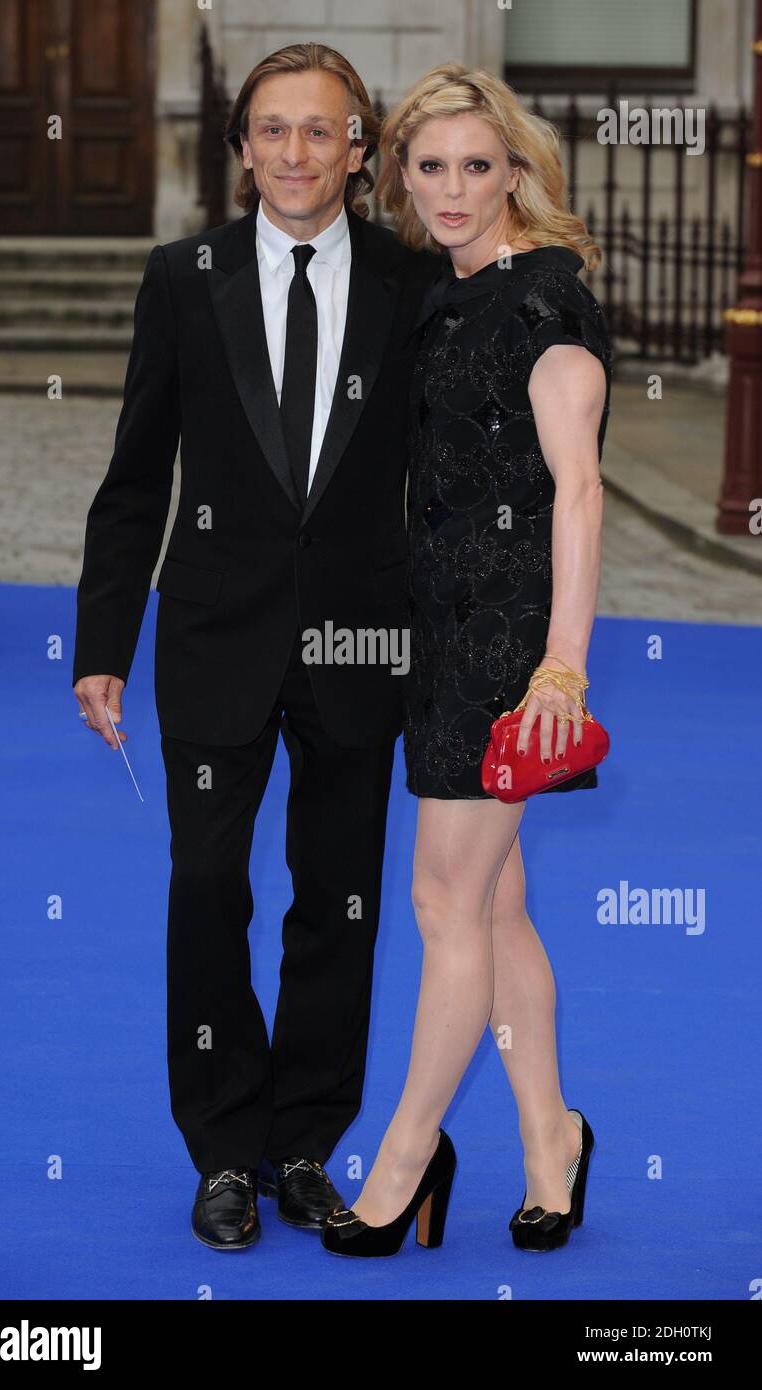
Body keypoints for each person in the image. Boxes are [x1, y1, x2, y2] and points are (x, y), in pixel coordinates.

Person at [72, 42, 440, 1251]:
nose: (294, 152)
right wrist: (102, 641)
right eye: (271, 130)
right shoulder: (183, 278)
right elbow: (136, 477)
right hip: (214, 635)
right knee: (207, 888)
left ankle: (299, 1145)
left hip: (358, 640)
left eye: (318, 131)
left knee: (338, 905)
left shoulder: (409, 278)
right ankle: (223, 1148)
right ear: (241, 149)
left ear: (357, 148)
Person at [322, 64, 611, 1258]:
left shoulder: (541, 298)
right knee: (493, 904)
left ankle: (401, 1162)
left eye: (474, 167)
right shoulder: (444, 296)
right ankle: (552, 1137)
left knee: (443, 898)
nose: (449, 188)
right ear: (398, 176)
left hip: (510, 646)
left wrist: (561, 666)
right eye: (426, 166)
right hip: (438, 633)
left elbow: (581, 490)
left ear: (516, 175)